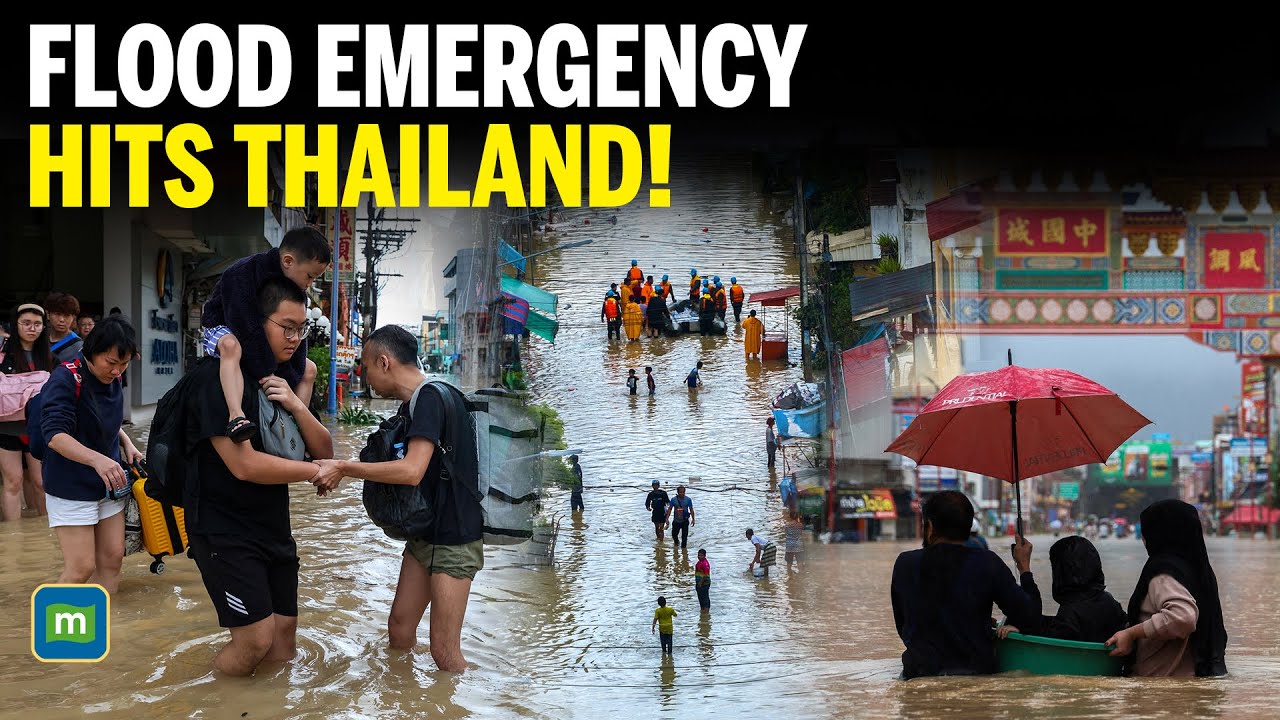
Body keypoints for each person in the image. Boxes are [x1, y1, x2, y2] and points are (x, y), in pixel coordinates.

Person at [310, 324, 485, 673]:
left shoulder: (431, 399)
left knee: (445, 654)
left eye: (366, 366)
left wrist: (345, 466)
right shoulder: (418, 401)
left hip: (455, 539)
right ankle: (404, 697)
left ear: (385, 362)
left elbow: (411, 471)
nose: (365, 375)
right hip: (427, 535)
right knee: (400, 629)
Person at [184, 277, 335, 677]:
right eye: (287, 327)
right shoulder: (214, 378)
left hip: (272, 527)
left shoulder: (279, 381)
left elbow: (324, 450)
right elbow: (244, 465)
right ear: (255, 322)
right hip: (224, 530)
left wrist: (296, 406)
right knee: (254, 639)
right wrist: (316, 472)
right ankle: (218, 702)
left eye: (301, 329)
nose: (295, 338)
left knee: (284, 641)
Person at [40, 315, 143, 593]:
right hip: (70, 485)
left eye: (124, 364)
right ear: (91, 351)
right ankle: (54, 633)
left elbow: (101, 421)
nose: (118, 371)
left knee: (112, 559)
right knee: (81, 567)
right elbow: (54, 435)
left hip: (109, 484)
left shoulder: (113, 377)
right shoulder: (65, 378)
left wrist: (126, 443)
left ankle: (103, 629)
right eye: (111, 363)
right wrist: (97, 460)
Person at [890, 490, 1041, 679]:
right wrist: (1024, 568)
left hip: (918, 675)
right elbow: (1031, 618)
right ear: (969, 526)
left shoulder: (905, 563)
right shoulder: (988, 562)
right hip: (977, 677)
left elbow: (904, 626)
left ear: (929, 527)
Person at [201, 226, 329, 444]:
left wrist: (289, 380)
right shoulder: (242, 273)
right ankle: (236, 416)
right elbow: (245, 325)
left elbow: (298, 337)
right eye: (310, 276)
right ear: (288, 261)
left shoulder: (295, 286)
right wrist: (268, 371)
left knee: (309, 368)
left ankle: (295, 428)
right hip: (222, 325)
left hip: (255, 332)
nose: (310, 284)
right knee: (232, 347)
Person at [1105, 499, 1228, 677]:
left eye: (1146, 531)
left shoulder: (1163, 574)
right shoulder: (1199, 571)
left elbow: (1182, 618)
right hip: (1200, 685)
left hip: (1159, 692)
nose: (1143, 539)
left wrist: (1130, 633)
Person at [997, 536, 1126, 643]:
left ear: (1062, 572)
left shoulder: (1070, 611)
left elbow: (1047, 640)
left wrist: (1024, 569)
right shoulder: (1109, 601)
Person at [1, 303, 54, 520]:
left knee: (41, 482)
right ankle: (13, 539)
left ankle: (44, 534)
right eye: (26, 323)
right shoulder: (3, 354)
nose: (32, 328)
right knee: (13, 482)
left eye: (37, 324)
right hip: (5, 427)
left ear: (43, 327)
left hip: (36, 427)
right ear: (16, 325)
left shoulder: (50, 356)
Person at [43, 292, 85, 362]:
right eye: (57, 314)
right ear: (48, 314)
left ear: (73, 318)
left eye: (67, 315)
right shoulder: (39, 337)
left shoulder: (78, 346)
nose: (62, 320)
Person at [695, 549, 711, 613]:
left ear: (705, 556)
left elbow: (706, 575)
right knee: (700, 597)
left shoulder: (705, 564)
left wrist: (700, 582)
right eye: (698, 555)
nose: (699, 557)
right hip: (699, 583)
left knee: (705, 597)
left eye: (701, 555)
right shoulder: (699, 562)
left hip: (704, 583)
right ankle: (702, 609)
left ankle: (706, 611)